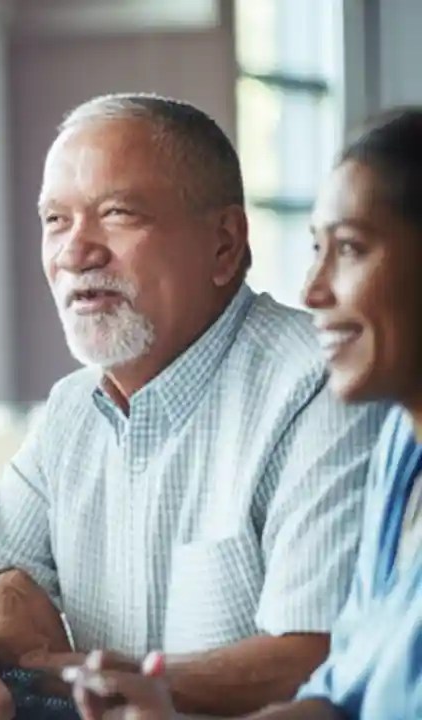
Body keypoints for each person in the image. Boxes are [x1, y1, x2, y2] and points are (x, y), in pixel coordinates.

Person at [0, 93, 388, 720]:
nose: (74, 253)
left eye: (117, 214)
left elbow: (317, 658)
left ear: (225, 245)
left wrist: (59, 676)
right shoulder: (72, 409)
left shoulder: (325, 386)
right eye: (55, 220)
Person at [66, 108, 422, 720]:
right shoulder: (403, 444)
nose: (313, 290)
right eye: (316, 249)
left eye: (350, 249)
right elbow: (337, 699)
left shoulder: (317, 397)